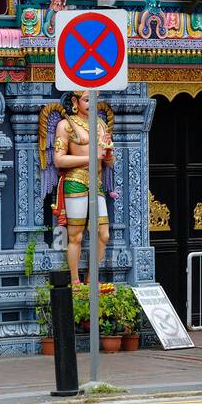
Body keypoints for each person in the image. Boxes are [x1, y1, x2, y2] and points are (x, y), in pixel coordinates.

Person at [52, 91, 116, 286]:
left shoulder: (101, 125)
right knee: (76, 235)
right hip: (76, 181)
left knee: (103, 234)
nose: (91, 104)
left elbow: (109, 161)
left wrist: (107, 156)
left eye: (94, 99)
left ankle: (92, 280)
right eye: (87, 99)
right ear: (75, 101)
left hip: (96, 183)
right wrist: (91, 157)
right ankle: (75, 281)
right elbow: (58, 160)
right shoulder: (66, 125)